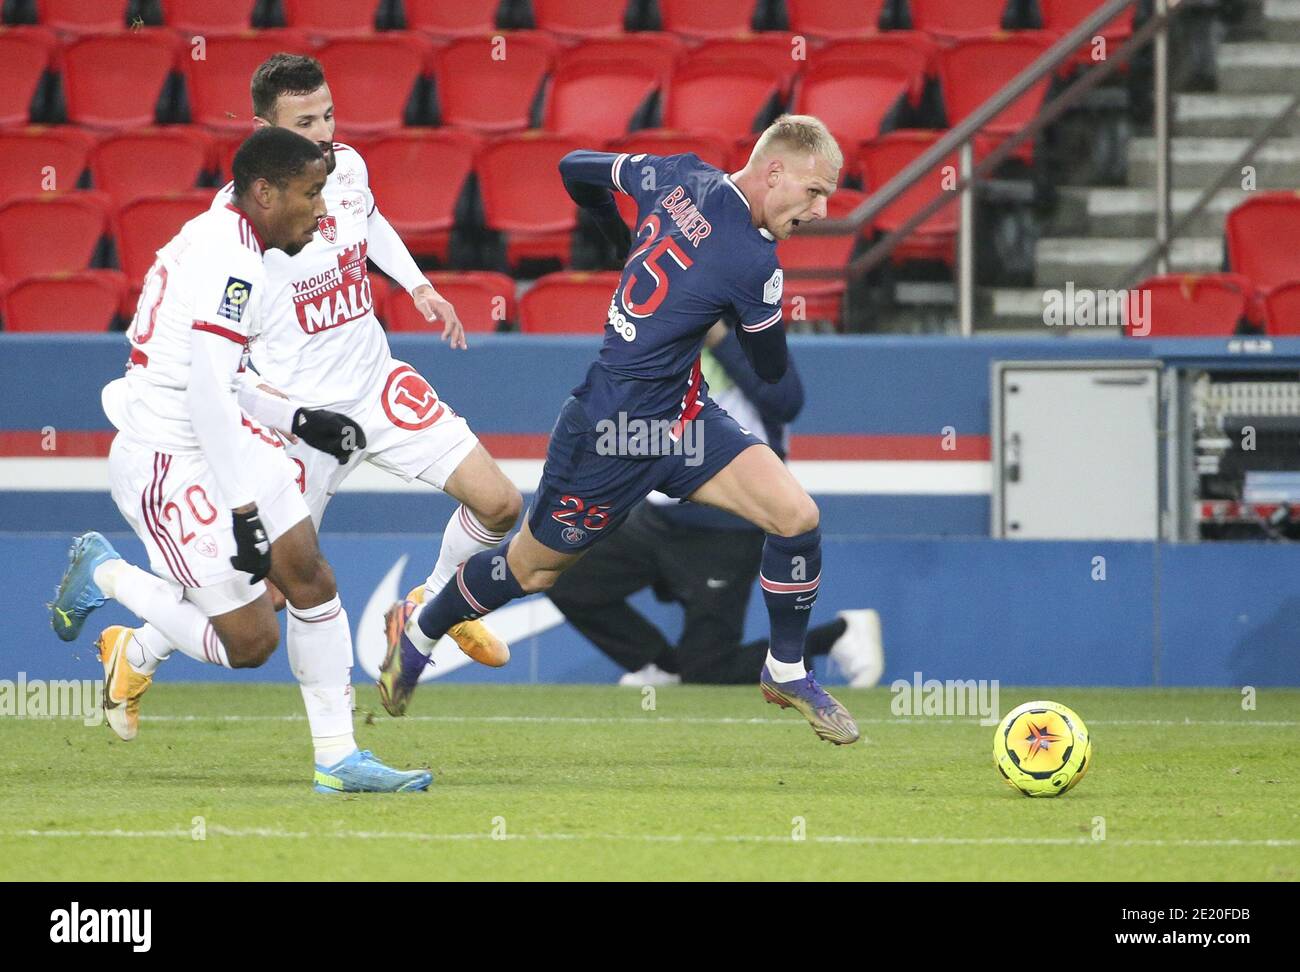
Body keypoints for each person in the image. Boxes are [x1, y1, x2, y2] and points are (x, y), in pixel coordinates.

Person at [382, 115, 862, 745]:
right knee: (533, 570)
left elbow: (576, 168)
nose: (822, 209)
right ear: (775, 172)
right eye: (815, 191)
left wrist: (621, 237)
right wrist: (754, 310)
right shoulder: (755, 261)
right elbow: (773, 372)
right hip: (613, 433)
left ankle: (786, 668)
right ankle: (417, 630)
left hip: (685, 422)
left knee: (796, 515)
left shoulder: (676, 174)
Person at [50, 128, 431, 793]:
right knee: (250, 644)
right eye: (311, 194)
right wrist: (244, 508)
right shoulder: (234, 261)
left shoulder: (236, 240)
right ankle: (107, 573)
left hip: (223, 433)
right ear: (266, 191)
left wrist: (299, 418)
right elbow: (204, 397)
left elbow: (220, 378)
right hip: (168, 458)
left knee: (308, 576)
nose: (323, 211)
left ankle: (338, 761)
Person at [545, 323, 881, 687]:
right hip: (657, 516)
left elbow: (787, 401)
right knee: (560, 573)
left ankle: (837, 635)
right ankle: (661, 665)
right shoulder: (659, 333)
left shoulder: (752, 334)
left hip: (728, 525)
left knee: (707, 669)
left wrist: (720, 338)